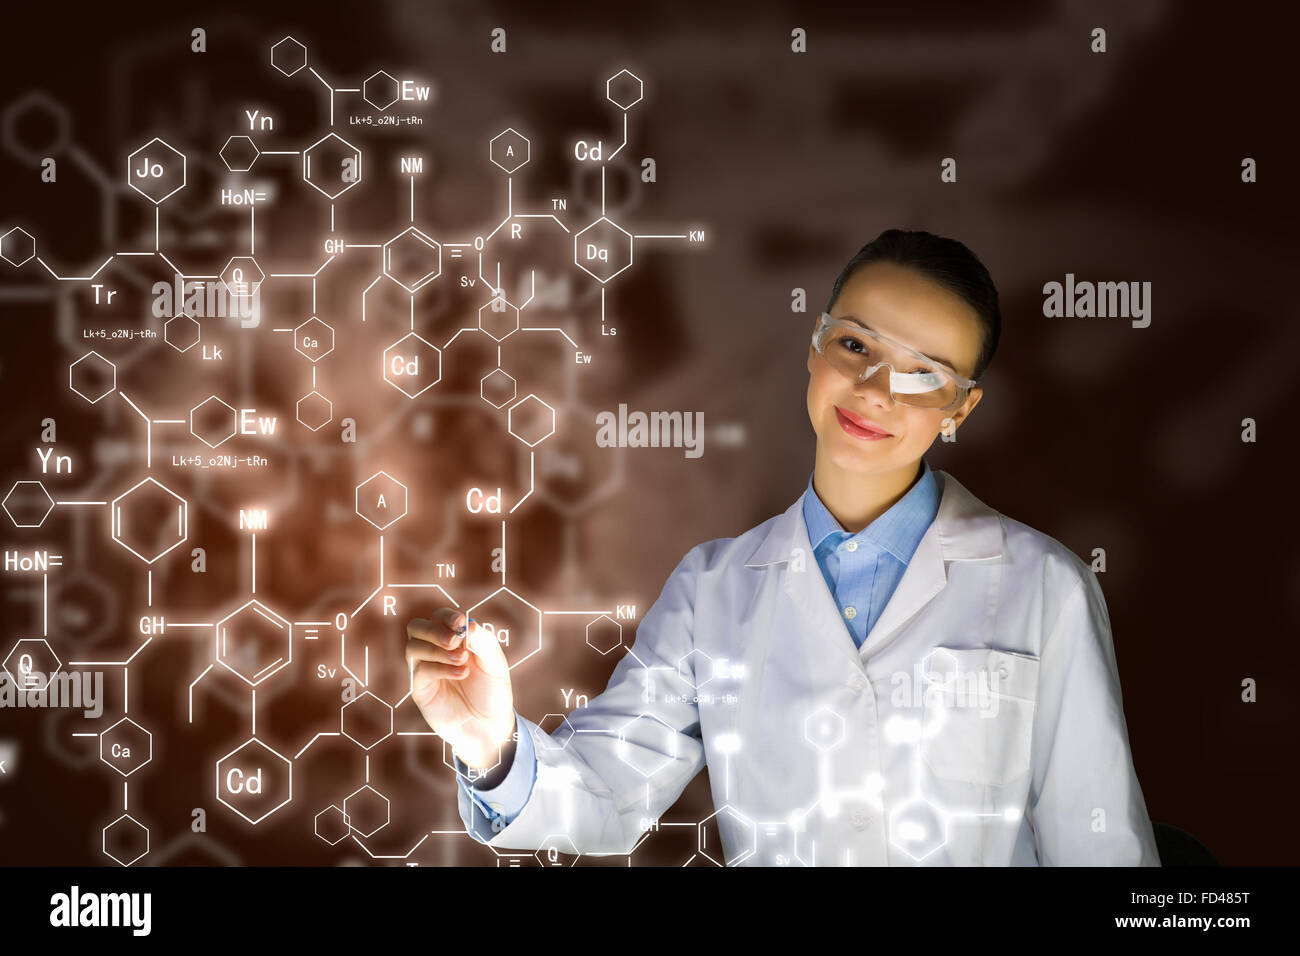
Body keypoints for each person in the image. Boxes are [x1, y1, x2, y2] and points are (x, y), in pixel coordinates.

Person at [405, 228, 1160, 866]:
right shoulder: (714, 589)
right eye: (856, 343)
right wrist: (491, 744)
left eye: (923, 374)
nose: (874, 389)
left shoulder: (1043, 586)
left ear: (962, 408)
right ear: (815, 345)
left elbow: (1099, 845)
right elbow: (608, 792)